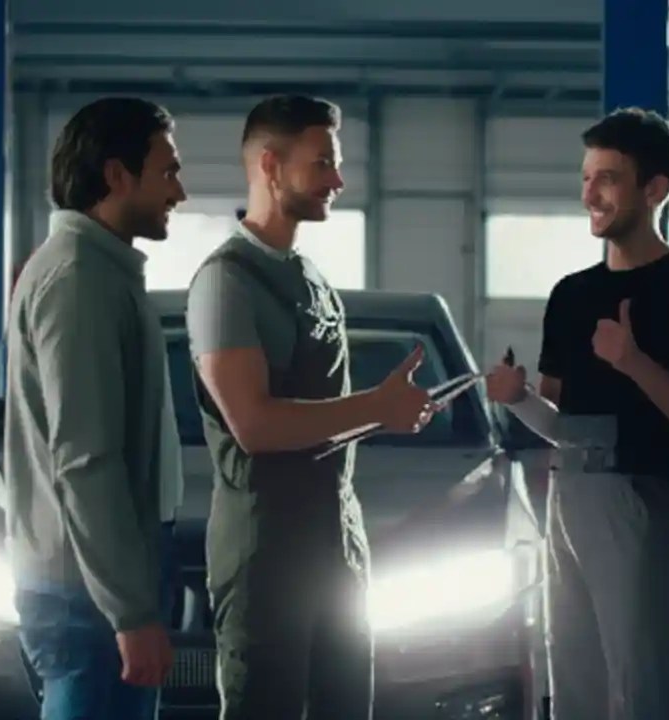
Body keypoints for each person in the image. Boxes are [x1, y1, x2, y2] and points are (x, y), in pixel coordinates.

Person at [486, 107, 669, 720]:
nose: (589, 195)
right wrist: (518, 396)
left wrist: (634, 363)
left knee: (647, 685)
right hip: (569, 500)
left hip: (645, 504)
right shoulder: (571, 295)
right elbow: (561, 422)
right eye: (585, 178)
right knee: (576, 685)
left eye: (607, 178)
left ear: (654, 189)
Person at [185, 94, 436, 720]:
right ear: (270, 165)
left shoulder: (313, 278)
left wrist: (386, 409)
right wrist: (378, 406)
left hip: (337, 539)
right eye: (323, 162)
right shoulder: (225, 283)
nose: (338, 179)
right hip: (265, 551)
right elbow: (256, 425)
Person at [3, 97, 188, 720]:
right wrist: (131, 612)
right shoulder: (78, 279)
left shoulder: (101, 271)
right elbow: (84, 457)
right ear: (116, 176)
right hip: (83, 589)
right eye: (167, 171)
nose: (179, 192)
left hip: (98, 578)